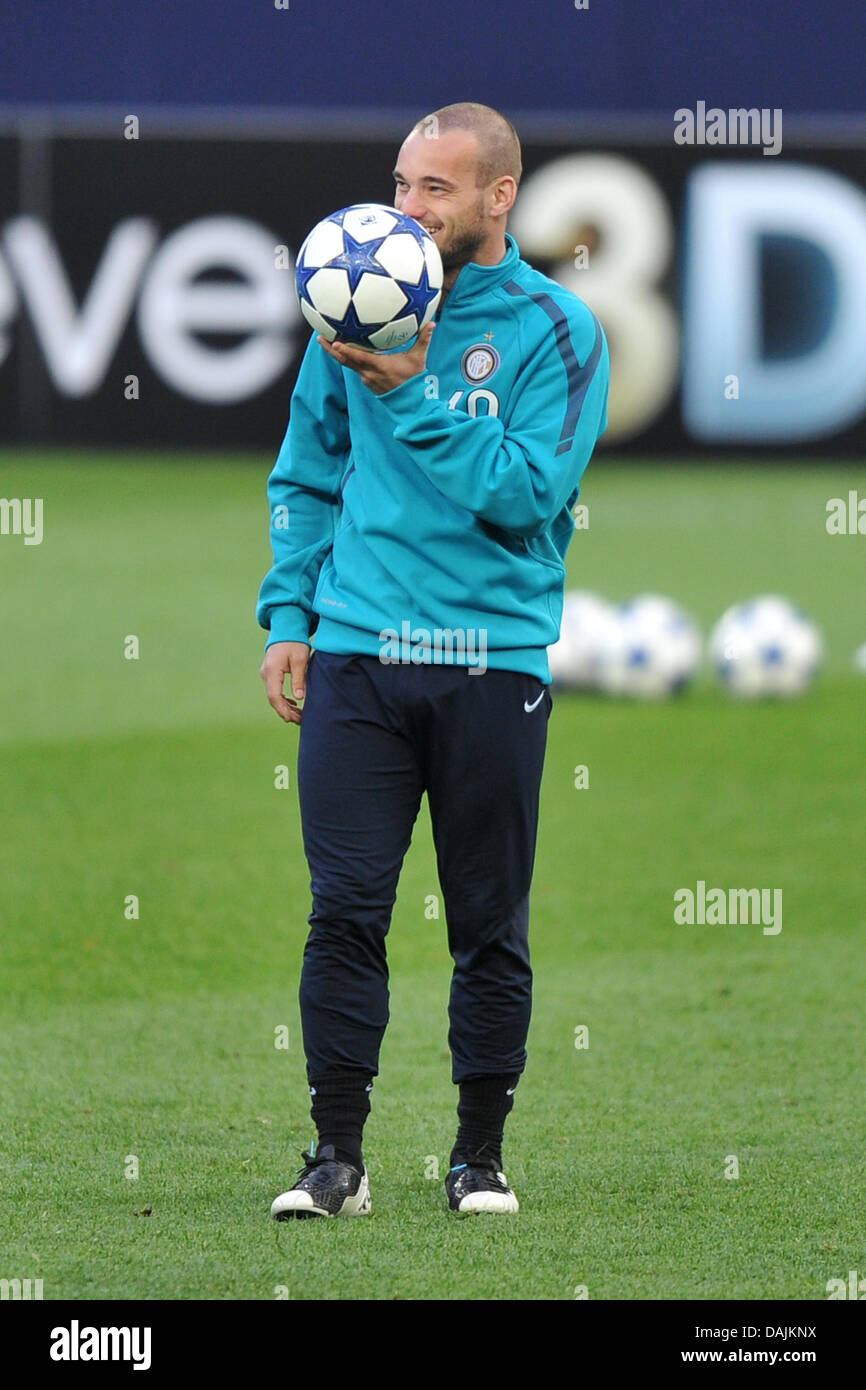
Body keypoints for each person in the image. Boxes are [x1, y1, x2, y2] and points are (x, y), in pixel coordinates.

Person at [257, 101, 609, 1218]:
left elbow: (525, 491)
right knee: (343, 909)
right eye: (401, 184)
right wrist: (289, 614)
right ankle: (335, 1158)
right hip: (357, 654)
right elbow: (306, 474)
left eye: (435, 189)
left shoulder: (558, 331)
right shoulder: (349, 309)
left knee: (486, 924)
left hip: (490, 661)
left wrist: (409, 391)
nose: (407, 209)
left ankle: (478, 1156)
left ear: (499, 197)